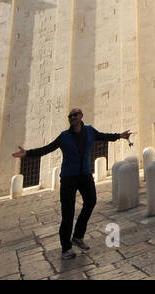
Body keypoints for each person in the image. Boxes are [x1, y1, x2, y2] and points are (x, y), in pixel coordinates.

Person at [13, 108, 131, 258]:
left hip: (85, 175)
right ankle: (66, 248)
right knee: (67, 214)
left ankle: (78, 236)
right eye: (70, 116)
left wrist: (120, 136)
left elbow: (103, 136)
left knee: (91, 201)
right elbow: (47, 149)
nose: (73, 117)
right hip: (69, 178)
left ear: (81, 116)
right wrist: (28, 153)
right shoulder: (64, 136)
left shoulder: (89, 131)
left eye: (75, 115)